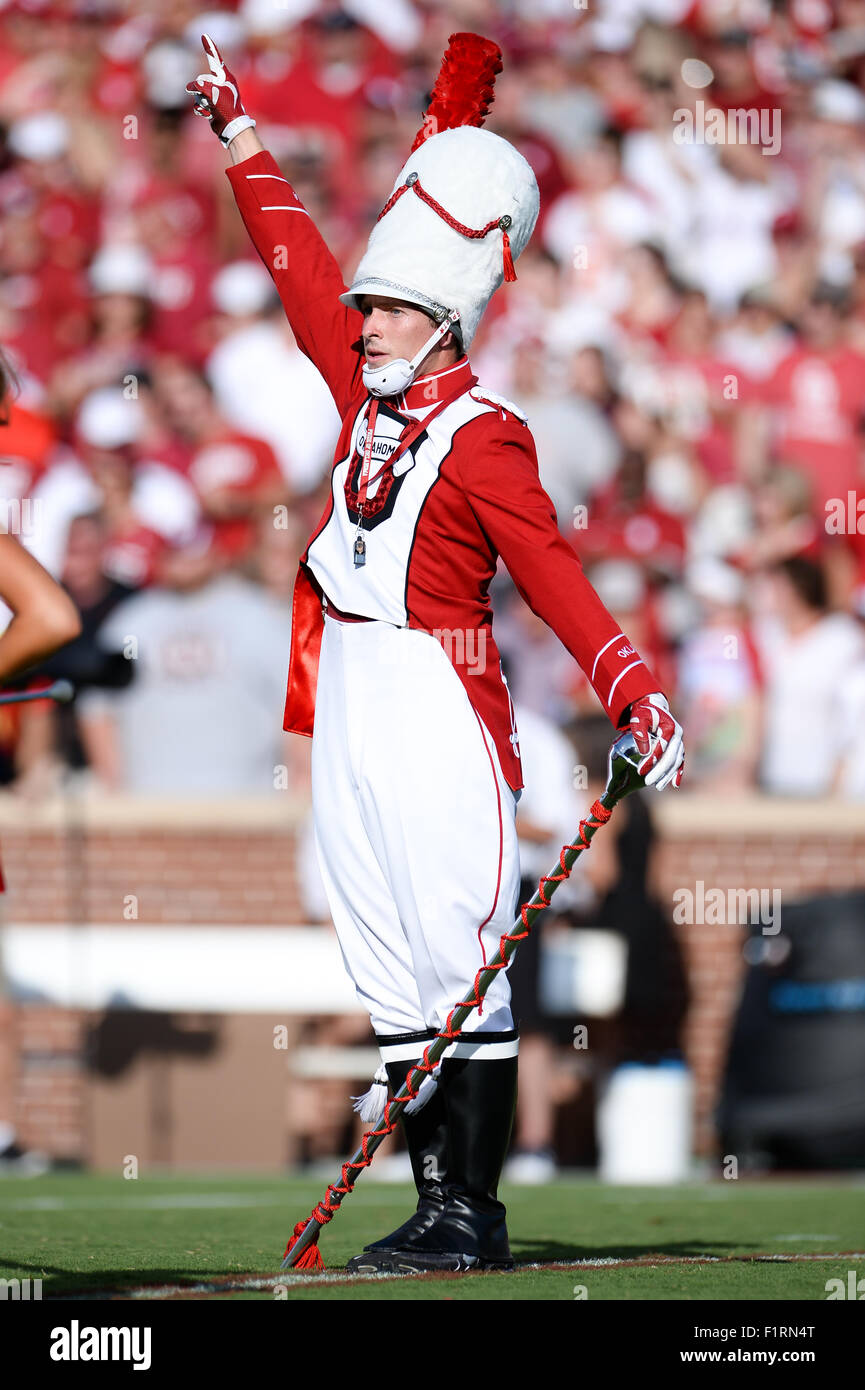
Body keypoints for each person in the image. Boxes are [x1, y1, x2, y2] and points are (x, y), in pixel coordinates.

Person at [187, 31, 685, 1275]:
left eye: (390, 305)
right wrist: (241, 136)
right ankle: (431, 1204)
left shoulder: (488, 434)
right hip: (351, 684)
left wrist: (628, 681)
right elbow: (295, 255)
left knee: (457, 945)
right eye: (368, 303)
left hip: (435, 686)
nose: (360, 319)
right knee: (387, 957)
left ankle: (473, 1211)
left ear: (447, 313)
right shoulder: (362, 390)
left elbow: (553, 573)